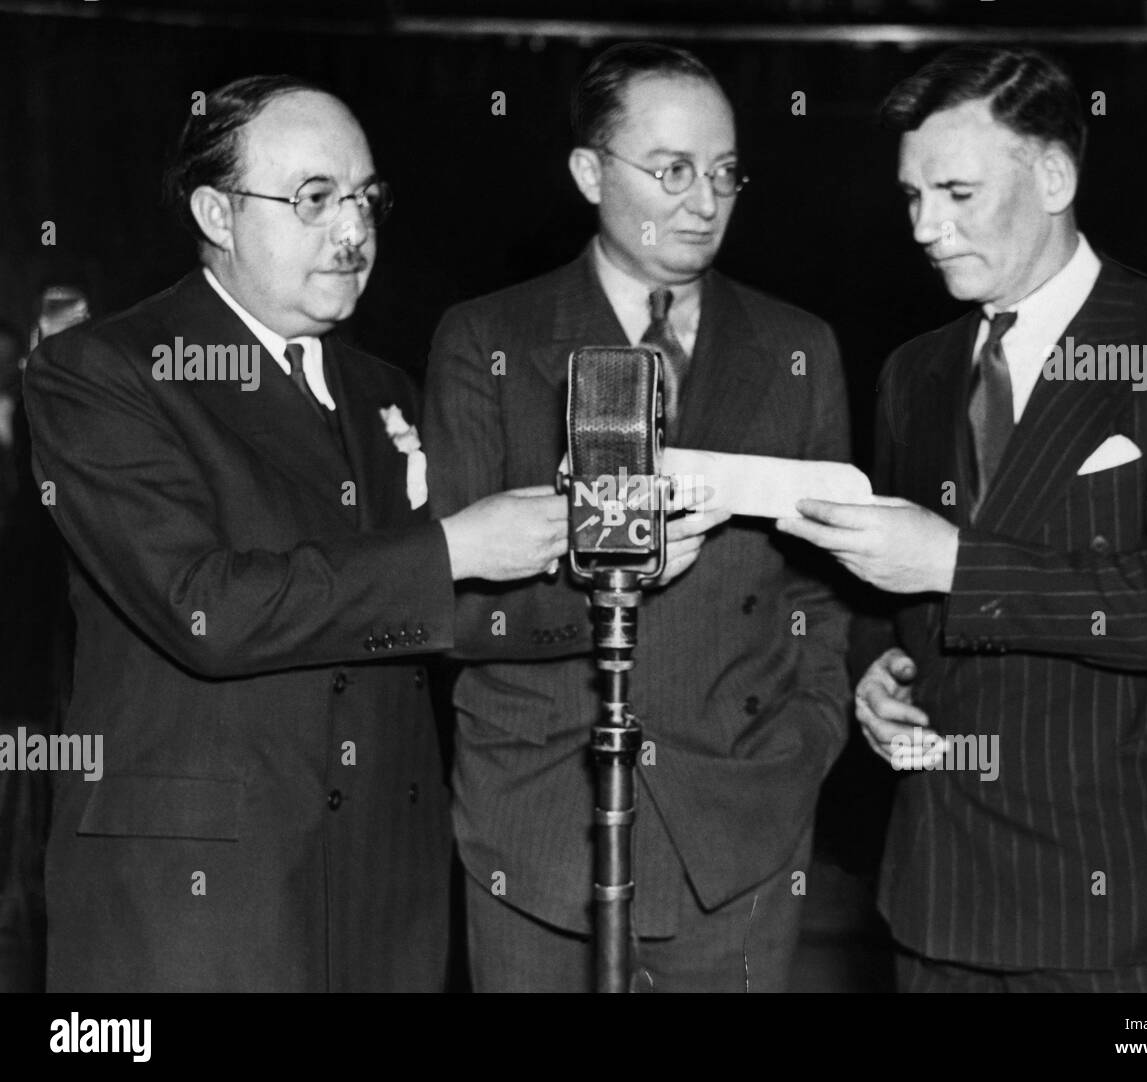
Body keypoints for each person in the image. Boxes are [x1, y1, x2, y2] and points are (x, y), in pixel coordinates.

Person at [23, 74, 573, 992]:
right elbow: (208, 609)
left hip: (384, 893)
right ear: (217, 212)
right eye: (315, 199)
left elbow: (434, 623)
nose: (354, 232)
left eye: (366, 199)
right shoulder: (100, 373)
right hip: (199, 904)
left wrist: (598, 553)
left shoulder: (386, 389)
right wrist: (455, 547)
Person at [778, 46, 1147, 992]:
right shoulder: (913, 372)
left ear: (1053, 175)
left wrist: (955, 565)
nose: (927, 227)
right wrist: (874, 666)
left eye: (957, 193)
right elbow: (895, 593)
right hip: (938, 896)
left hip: (1121, 910)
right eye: (913, 195)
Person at [424, 42, 853, 992]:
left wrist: (804, 751)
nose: (704, 201)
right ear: (588, 172)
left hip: (740, 833)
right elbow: (445, 607)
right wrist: (602, 584)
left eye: (725, 172)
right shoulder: (484, 340)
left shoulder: (800, 349)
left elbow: (823, 597)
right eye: (671, 171)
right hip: (536, 829)